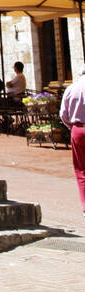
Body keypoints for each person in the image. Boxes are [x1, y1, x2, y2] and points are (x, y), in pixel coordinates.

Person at [59, 67, 85, 216]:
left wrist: (72, 127)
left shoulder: (71, 88)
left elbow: (63, 114)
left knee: (81, 169)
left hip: (78, 130)